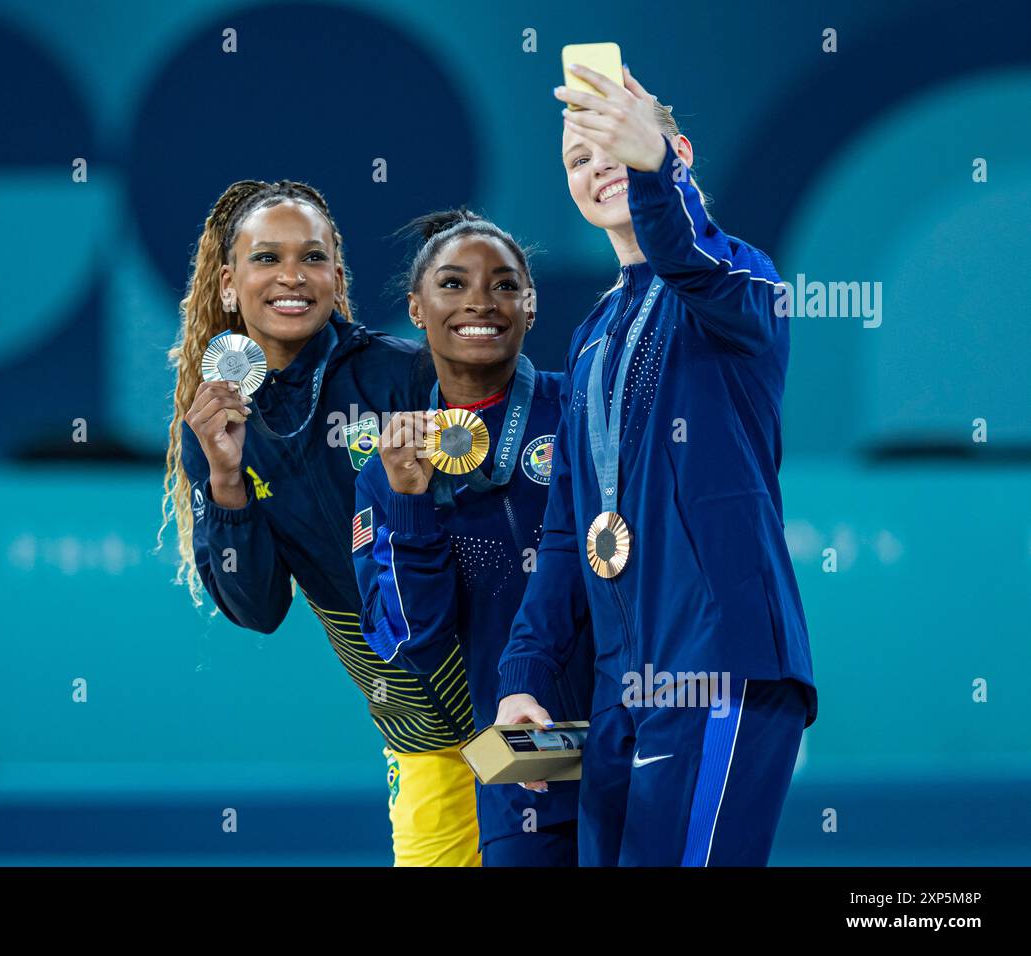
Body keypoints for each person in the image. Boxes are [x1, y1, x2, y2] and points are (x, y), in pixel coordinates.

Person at [496, 65, 818, 866]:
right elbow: (569, 531)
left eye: (613, 142)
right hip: (619, 690)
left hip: (718, 665)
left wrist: (655, 173)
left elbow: (687, 254)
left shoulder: (743, 284)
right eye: (578, 159)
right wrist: (523, 673)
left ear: (677, 151)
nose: (597, 164)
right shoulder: (593, 333)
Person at [162, 179, 481, 866]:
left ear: (337, 277)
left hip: (512, 706)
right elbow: (258, 609)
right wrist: (224, 481)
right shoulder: (215, 423)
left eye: (312, 258)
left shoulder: (410, 376)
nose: (291, 277)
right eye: (266, 258)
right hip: (419, 736)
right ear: (227, 282)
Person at [352, 209, 593, 866]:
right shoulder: (386, 470)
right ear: (417, 308)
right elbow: (412, 647)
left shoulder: (586, 412)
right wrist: (409, 509)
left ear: (532, 305)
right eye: (453, 284)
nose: (481, 302)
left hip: (632, 736)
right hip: (517, 755)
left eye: (505, 284)